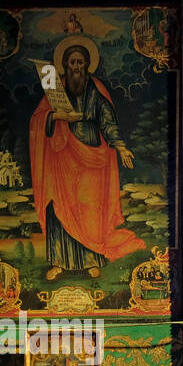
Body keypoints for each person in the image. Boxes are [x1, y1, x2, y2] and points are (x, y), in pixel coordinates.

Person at [29, 38, 145, 281]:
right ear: (65, 65)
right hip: (60, 158)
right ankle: (59, 263)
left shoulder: (96, 90)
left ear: (87, 65)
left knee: (90, 210)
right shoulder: (54, 87)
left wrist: (121, 147)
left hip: (92, 156)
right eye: (72, 62)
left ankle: (92, 259)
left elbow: (108, 121)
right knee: (58, 210)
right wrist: (56, 116)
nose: (77, 66)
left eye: (81, 62)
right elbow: (38, 119)